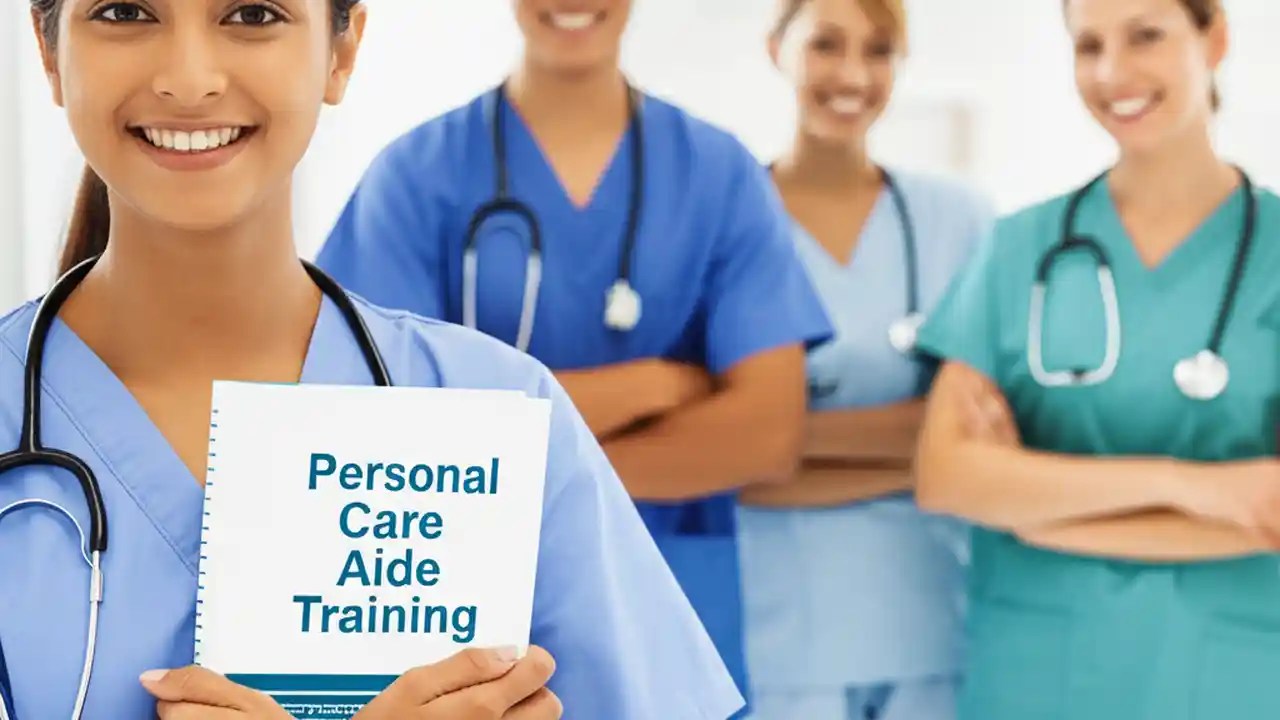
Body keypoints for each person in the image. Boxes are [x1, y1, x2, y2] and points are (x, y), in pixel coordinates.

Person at [0, 1, 748, 718]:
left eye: (254, 14)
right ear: (49, 52)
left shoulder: (499, 410)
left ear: (342, 51)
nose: (189, 79)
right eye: (124, 12)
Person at [314, 0, 834, 708]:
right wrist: (650, 386)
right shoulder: (417, 175)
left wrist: (495, 472)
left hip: (668, 620)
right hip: (458, 630)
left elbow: (767, 432)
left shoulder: (719, 173)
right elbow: (383, 431)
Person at [912, 0, 1280, 718]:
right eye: (1089, 46)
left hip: (1232, 682)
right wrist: (1195, 487)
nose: (1113, 72)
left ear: (1215, 37)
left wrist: (1039, 514)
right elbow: (946, 475)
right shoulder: (1017, 250)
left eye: (1146, 35)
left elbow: (1272, 507)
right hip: (1040, 681)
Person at [732, 1, 992, 719]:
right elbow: (714, 457)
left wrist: (775, 444)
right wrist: (922, 448)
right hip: (780, 635)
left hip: (930, 623)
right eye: (826, 45)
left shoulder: (960, 221)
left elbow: (990, 441)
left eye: (879, 50)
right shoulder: (728, 222)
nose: (852, 75)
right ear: (775, 48)